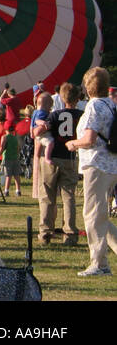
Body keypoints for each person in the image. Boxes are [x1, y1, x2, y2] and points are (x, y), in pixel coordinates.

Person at [66, 67, 117, 277]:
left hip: (96, 164)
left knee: (93, 214)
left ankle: (99, 263)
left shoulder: (94, 106)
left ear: (88, 87)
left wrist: (73, 144)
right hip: (111, 164)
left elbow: (89, 139)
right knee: (101, 214)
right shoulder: (110, 105)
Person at [34, 82, 81, 246]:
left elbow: (37, 133)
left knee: (47, 195)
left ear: (61, 97)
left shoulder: (55, 115)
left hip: (52, 158)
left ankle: (45, 232)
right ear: (78, 97)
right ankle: (70, 233)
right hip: (69, 157)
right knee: (68, 197)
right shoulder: (81, 115)